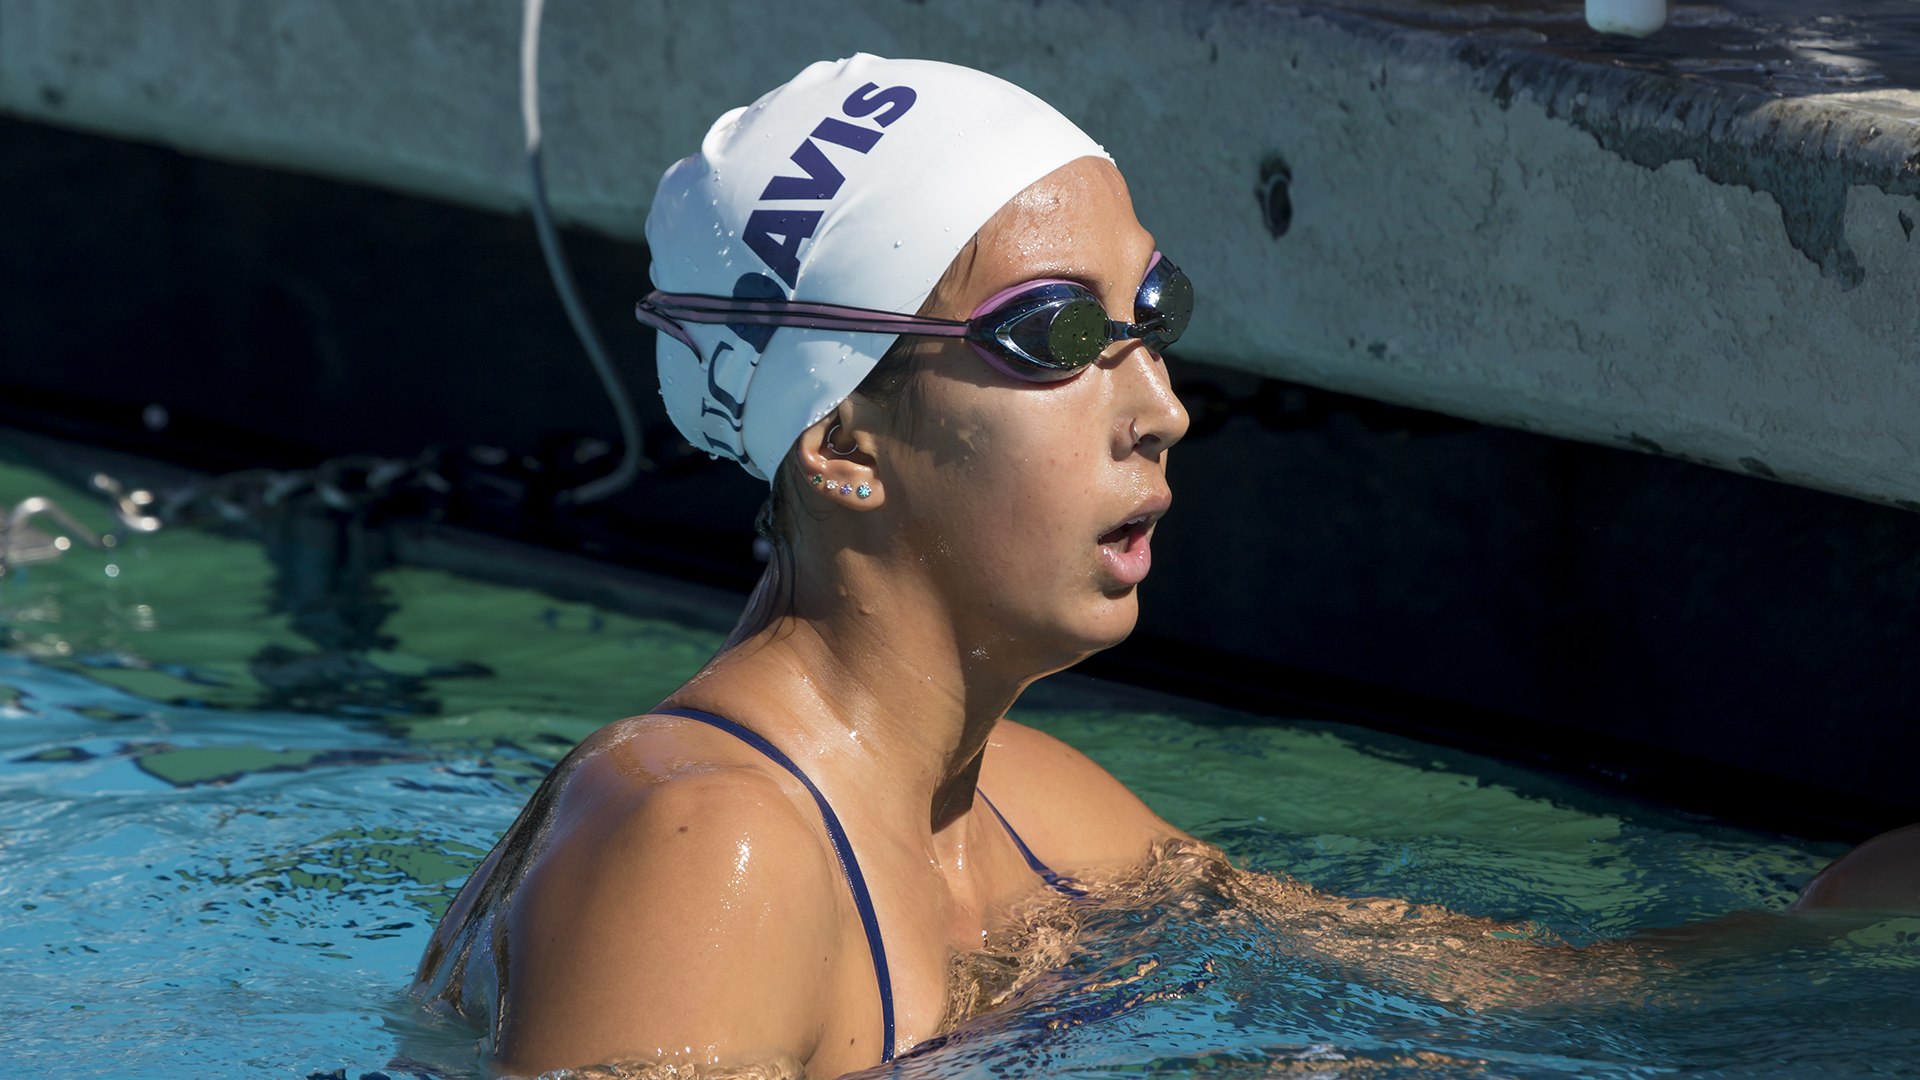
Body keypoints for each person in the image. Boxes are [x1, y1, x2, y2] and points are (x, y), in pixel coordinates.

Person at [411, 54, 1917, 1079]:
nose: (1161, 404)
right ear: (843, 441)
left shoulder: (1036, 809)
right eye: (1054, 335)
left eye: (1151, 311)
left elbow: (1540, 996)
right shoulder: (704, 855)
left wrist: (1840, 922)